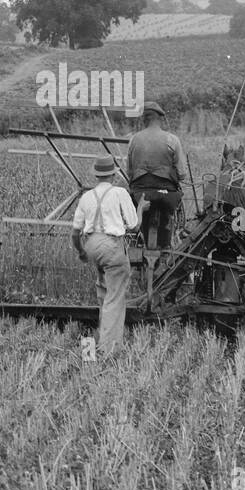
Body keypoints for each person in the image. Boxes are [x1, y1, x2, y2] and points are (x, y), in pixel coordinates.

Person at [70, 156, 139, 357]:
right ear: (113, 175)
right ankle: (107, 350)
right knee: (114, 298)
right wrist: (141, 209)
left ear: (97, 175)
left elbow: (75, 233)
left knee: (103, 291)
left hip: (92, 246)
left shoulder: (87, 197)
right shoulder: (119, 193)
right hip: (112, 247)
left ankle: (94, 345)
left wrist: (81, 251)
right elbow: (134, 225)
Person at [126, 101, 187, 249]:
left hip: (140, 194)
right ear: (160, 119)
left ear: (144, 119)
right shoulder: (172, 140)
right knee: (178, 216)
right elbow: (182, 173)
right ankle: (174, 238)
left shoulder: (134, 140)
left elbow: (129, 172)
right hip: (167, 195)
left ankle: (135, 241)